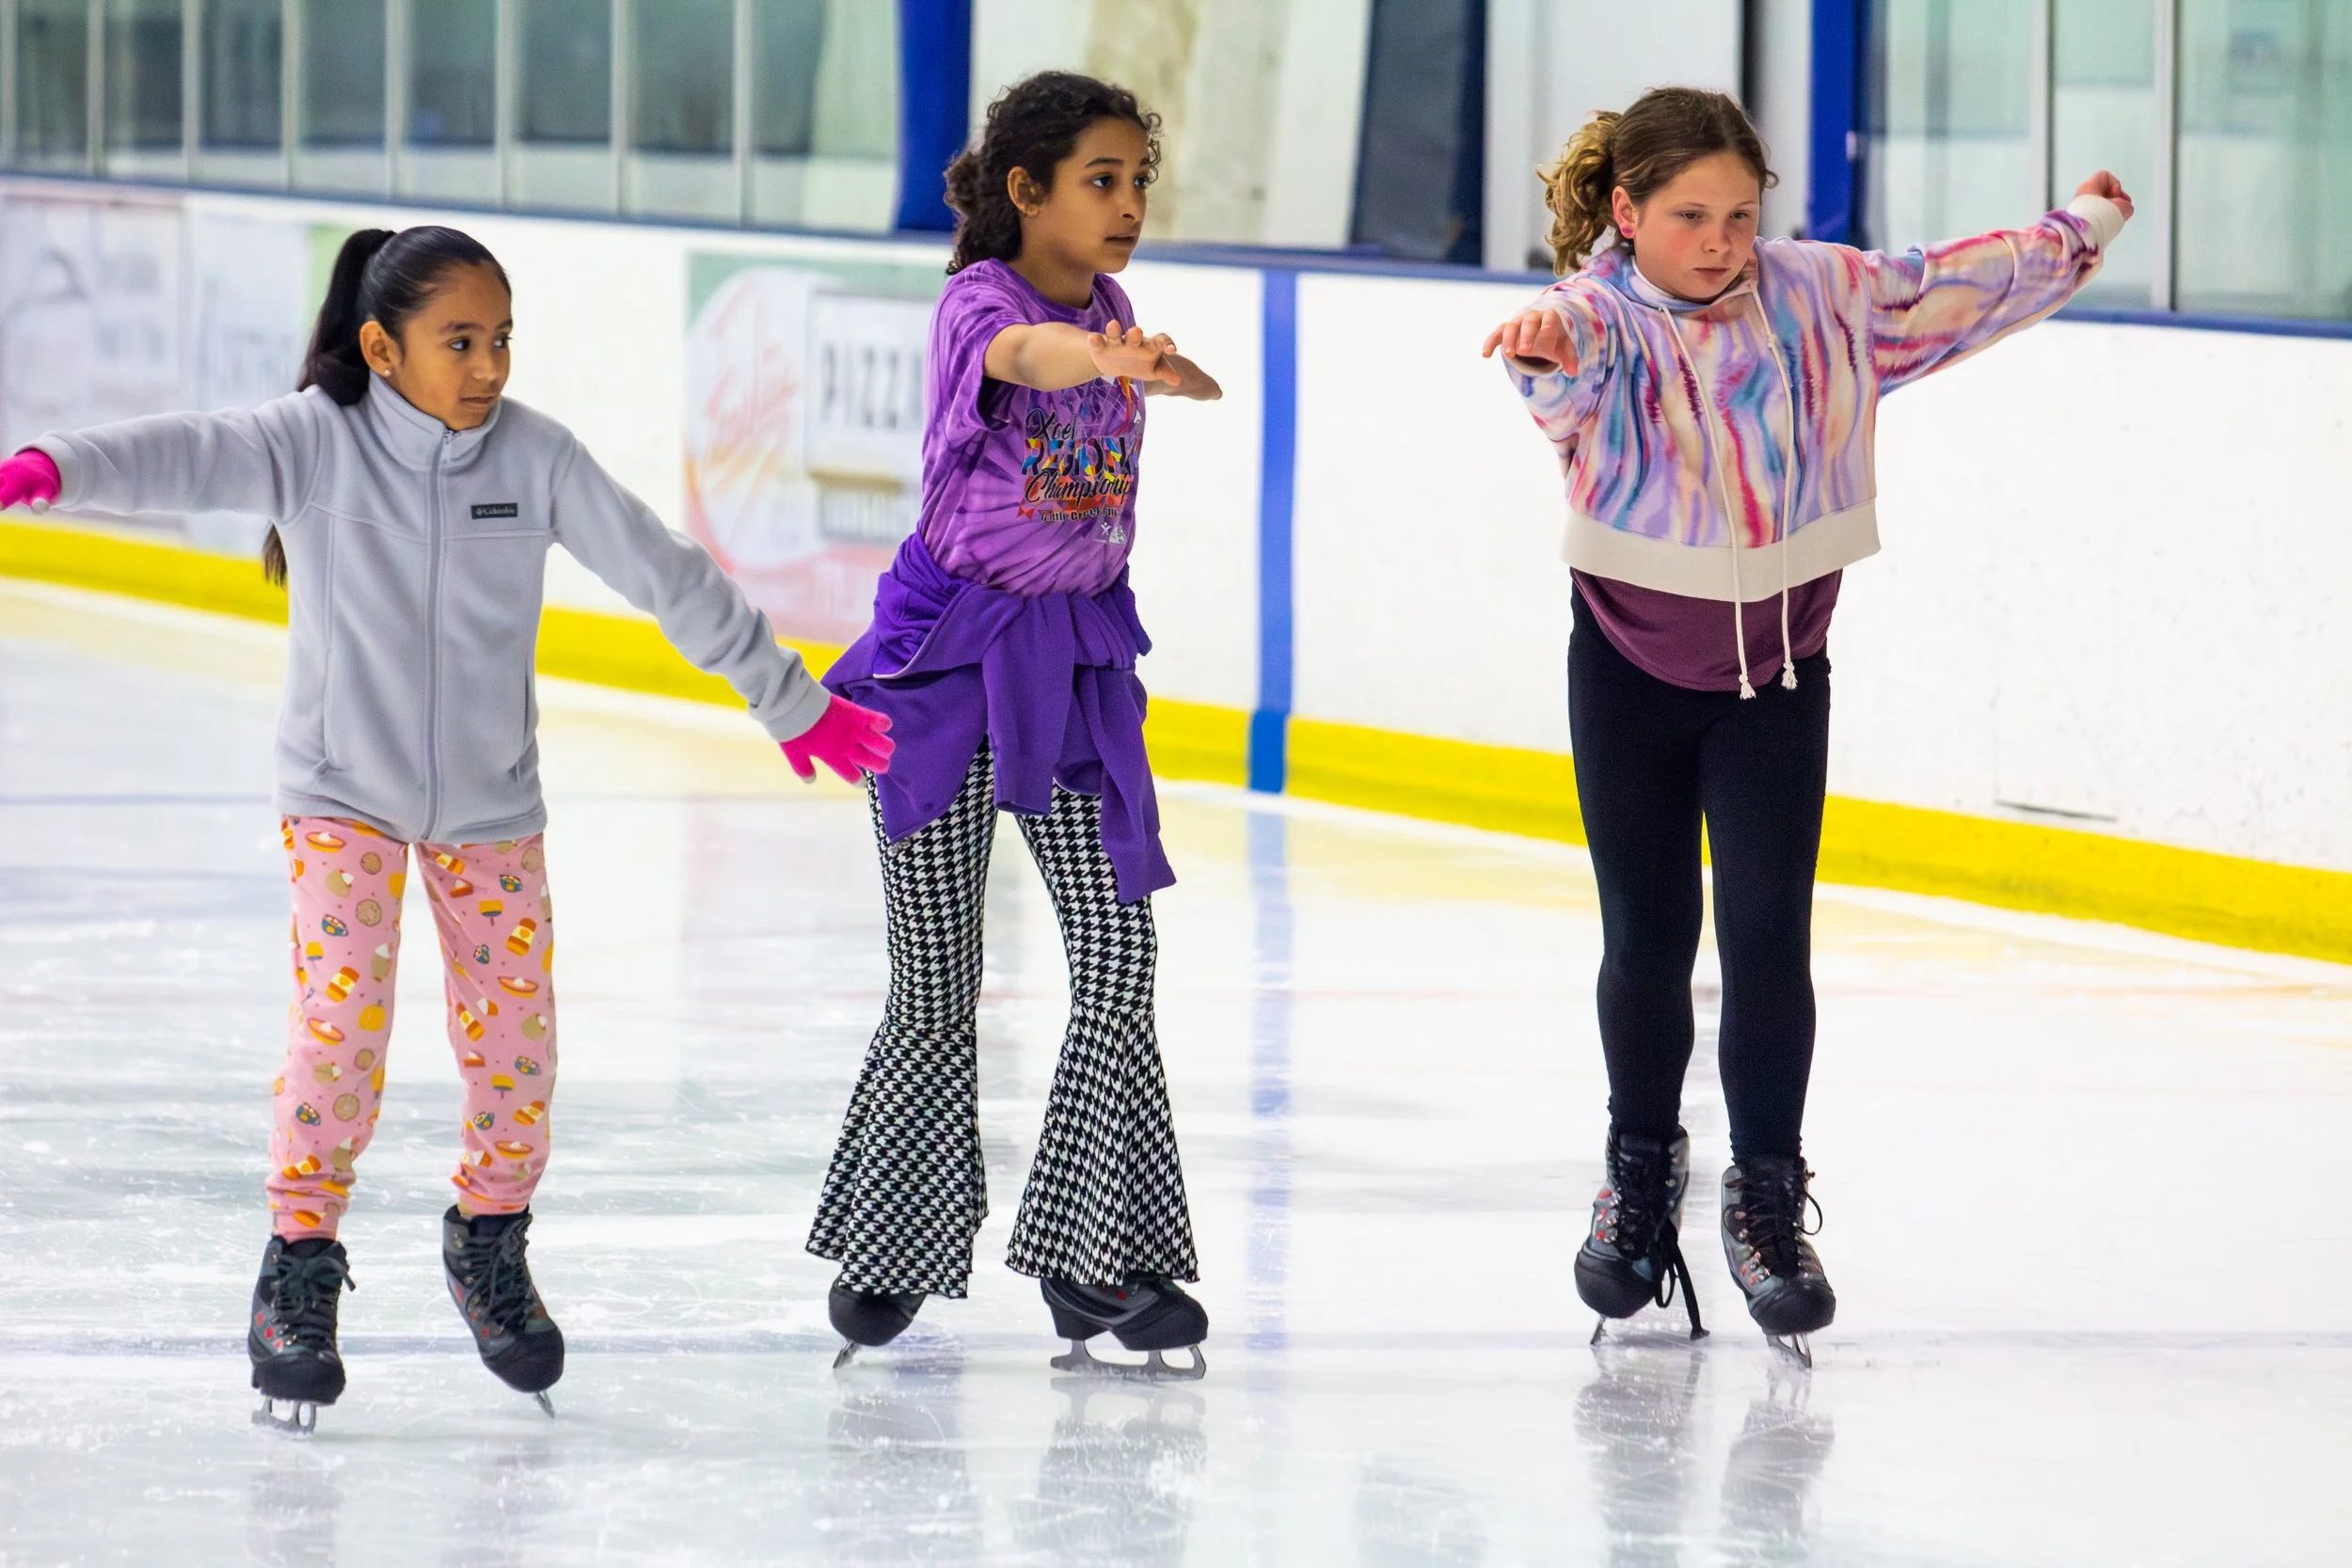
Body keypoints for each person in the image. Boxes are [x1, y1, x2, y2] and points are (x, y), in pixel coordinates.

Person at [0, 225, 893, 1428]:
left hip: (490, 801)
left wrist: (786, 697)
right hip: (341, 793)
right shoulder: (313, 441)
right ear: (383, 348)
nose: (488, 367)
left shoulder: (536, 455)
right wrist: (53, 466)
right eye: (459, 341)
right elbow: (185, 452)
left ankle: (489, 1237)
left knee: (518, 1049)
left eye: (501, 339)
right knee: (340, 1032)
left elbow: (666, 569)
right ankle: (297, 1263)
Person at [1481, 87, 2130, 1358]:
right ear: (1626, 211)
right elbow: (1565, 369)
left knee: (1770, 935)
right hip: (1626, 670)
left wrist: (2084, 225)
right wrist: (1543, 348)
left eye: (1739, 214)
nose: (1720, 241)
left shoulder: (1821, 293)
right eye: (1689, 216)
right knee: (1647, 937)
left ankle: (1767, 1203)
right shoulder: (1596, 314)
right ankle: (1637, 1176)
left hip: (1777, 677)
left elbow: (1961, 283)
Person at [806, 71, 1224, 1378]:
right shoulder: (980, 303)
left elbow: (1117, 369)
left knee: (1118, 956)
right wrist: (1099, 358)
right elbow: (1022, 359)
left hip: (1079, 666)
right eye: (1102, 180)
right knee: (935, 982)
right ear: (1027, 190)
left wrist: (1134, 355)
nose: (1129, 203)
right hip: (942, 668)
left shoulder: (1115, 307)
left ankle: (1093, 1255)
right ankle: (890, 1242)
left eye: (1139, 180)